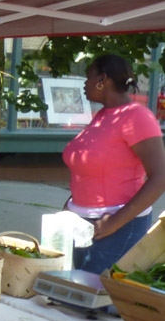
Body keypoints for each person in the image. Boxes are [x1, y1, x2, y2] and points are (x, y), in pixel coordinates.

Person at [63, 54, 165, 274]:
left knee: (99, 301)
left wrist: (115, 222)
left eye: (88, 77)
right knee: (80, 297)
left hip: (116, 227)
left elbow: (160, 177)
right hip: (84, 224)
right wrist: (73, 203)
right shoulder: (104, 115)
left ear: (103, 79)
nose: (84, 83)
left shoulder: (137, 117)